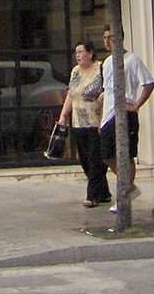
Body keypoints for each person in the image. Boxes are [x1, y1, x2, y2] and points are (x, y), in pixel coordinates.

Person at [99, 26, 154, 213]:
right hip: (108, 113)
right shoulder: (106, 63)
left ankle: (124, 193)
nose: (107, 41)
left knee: (126, 154)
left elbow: (149, 83)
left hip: (125, 112)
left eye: (111, 37)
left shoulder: (132, 60)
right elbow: (107, 89)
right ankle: (129, 186)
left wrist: (136, 104)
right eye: (105, 38)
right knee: (107, 154)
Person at [58, 40, 110, 207]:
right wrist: (63, 116)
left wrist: (104, 118)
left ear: (90, 53)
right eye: (76, 52)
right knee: (85, 160)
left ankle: (92, 195)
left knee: (95, 160)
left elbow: (108, 92)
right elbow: (71, 94)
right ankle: (103, 192)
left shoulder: (101, 69)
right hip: (78, 122)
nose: (77, 55)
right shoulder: (75, 71)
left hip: (96, 121)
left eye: (81, 52)